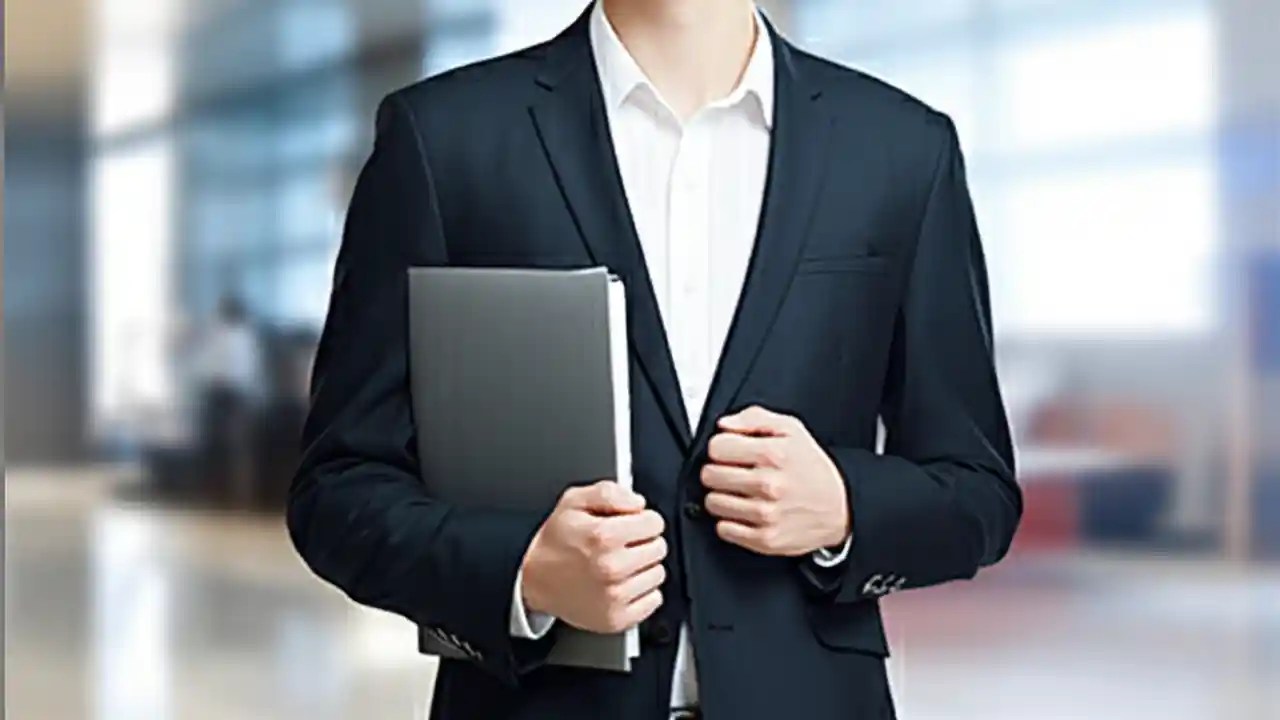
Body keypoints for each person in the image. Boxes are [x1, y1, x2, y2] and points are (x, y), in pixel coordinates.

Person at [287, 1, 1022, 718]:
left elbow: (977, 491)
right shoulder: (445, 139)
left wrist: (845, 507)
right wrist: (522, 572)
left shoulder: (901, 148)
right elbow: (338, 490)